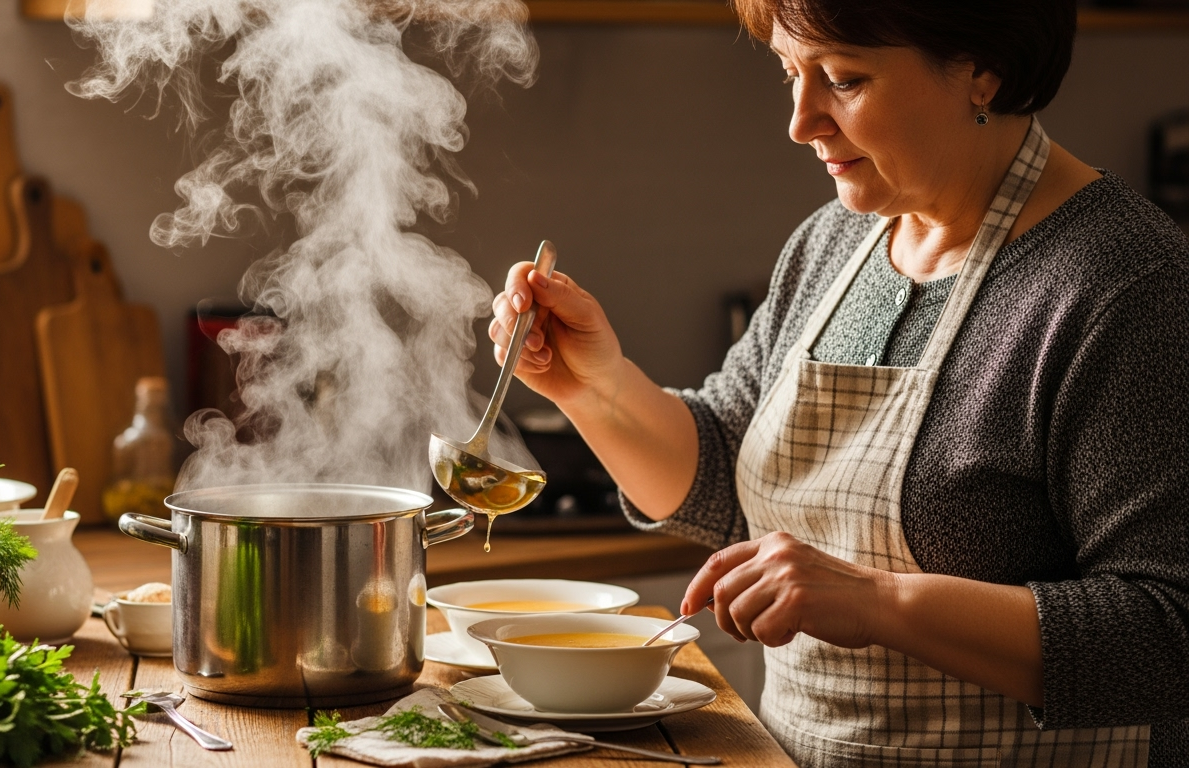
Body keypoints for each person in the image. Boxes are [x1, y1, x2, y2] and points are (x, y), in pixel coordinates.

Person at [488, 0, 1189, 764]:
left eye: (845, 80)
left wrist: (875, 602)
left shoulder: (1125, 283)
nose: (801, 121)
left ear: (985, 71)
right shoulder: (835, 241)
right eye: (792, 73)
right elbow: (726, 477)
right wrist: (592, 385)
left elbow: (1168, 633)